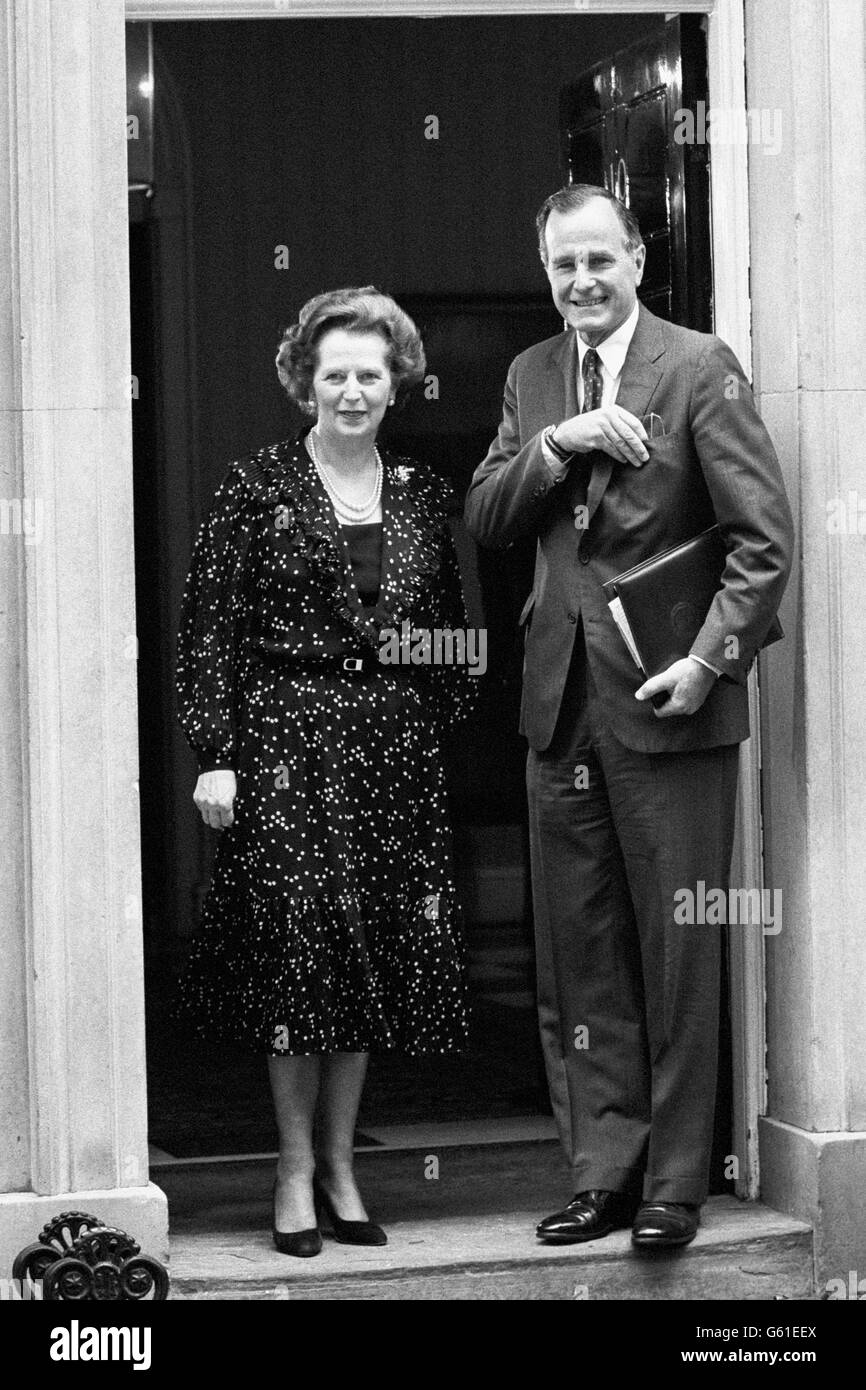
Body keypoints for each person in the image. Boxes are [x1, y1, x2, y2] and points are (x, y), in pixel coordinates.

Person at [464, 186, 794, 1249]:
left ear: (638, 258)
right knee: (581, 957)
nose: (580, 283)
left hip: (671, 704)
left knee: (676, 950)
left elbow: (762, 543)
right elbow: (487, 512)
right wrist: (555, 443)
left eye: (598, 261)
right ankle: (599, 1170)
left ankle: (674, 1184)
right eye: (562, 266)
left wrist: (707, 663)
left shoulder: (700, 365)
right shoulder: (528, 377)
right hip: (561, 705)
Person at [175, 286, 475, 1257]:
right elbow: (207, 632)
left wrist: (431, 713)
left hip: (388, 755)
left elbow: (455, 632)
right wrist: (214, 753)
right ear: (304, 380)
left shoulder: (427, 492)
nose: (351, 388)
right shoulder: (252, 484)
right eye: (333, 372)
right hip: (283, 746)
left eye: (369, 373)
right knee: (295, 958)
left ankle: (345, 1166)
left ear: (397, 384)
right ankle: (293, 1166)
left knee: (365, 963)